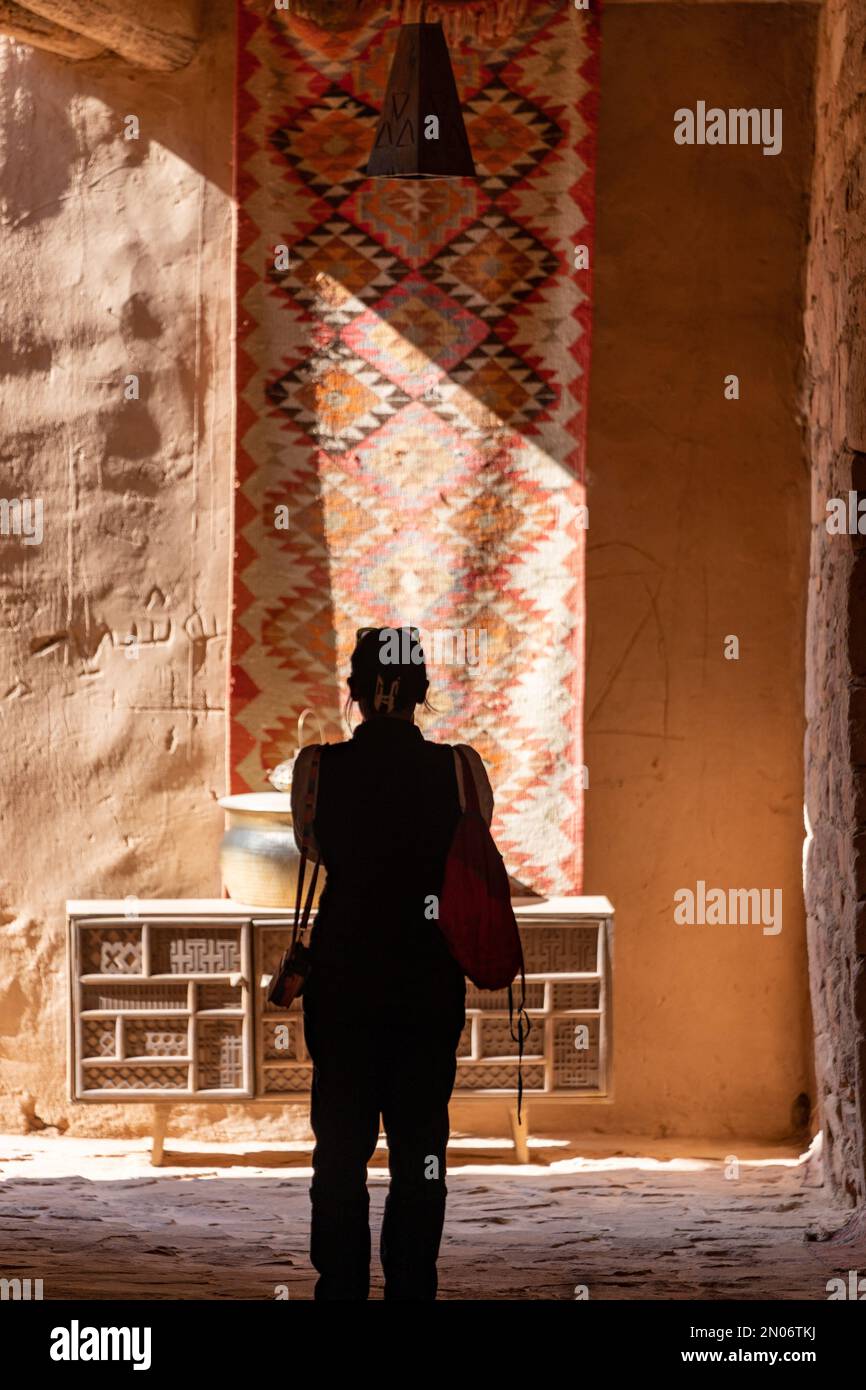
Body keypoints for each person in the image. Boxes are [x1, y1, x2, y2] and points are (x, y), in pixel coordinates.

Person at [290, 626, 494, 1300]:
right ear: (422, 692)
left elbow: (313, 847)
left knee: (340, 1147)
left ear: (354, 691)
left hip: (344, 976)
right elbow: (474, 848)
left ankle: (339, 1287)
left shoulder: (316, 769)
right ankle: (411, 1286)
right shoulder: (461, 771)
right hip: (426, 982)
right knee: (422, 1147)